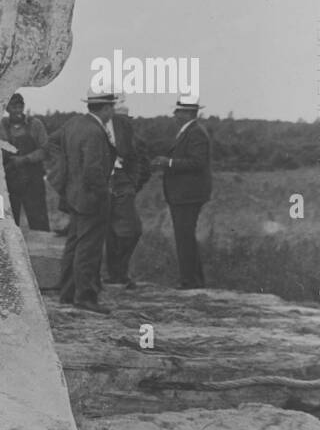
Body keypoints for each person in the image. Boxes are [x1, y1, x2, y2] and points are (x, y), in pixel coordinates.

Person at [47, 88, 115, 314]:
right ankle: (85, 297)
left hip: (74, 196)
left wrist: (66, 171)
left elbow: (52, 142)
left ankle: (67, 294)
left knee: (74, 245)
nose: (112, 111)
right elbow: (93, 170)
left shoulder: (74, 124)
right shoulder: (95, 132)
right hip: (91, 198)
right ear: (105, 108)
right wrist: (103, 193)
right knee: (88, 249)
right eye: (111, 107)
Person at [151, 98, 211, 289]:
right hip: (184, 194)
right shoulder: (190, 132)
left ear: (187, 113)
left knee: (184, 237)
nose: (174, 115)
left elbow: (197, 163)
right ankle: (194, 280)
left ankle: (189, 281)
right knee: (186, 236)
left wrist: (168, 163)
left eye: (177, 111)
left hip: (188, 195)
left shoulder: (196, 133)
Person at [104, 98, 152, 287]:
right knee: (111, 233)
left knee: (129, 231)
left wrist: (131, 187)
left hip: (123, 190)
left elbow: (144, 169)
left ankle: (119, 273)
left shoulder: (135, 140)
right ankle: (115, 274)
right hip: (107, 190)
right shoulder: (102, 138)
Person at [0, 92, 50, 230]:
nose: (18, 111)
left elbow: (45, 150)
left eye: (20, 107)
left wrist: (25, 159)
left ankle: (42, 250)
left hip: (33, 180)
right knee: (9, 223)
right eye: (14, 107)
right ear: (7, 109)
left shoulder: (35, 124)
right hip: (10, 180)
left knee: (39, 221)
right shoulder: (0, 126)